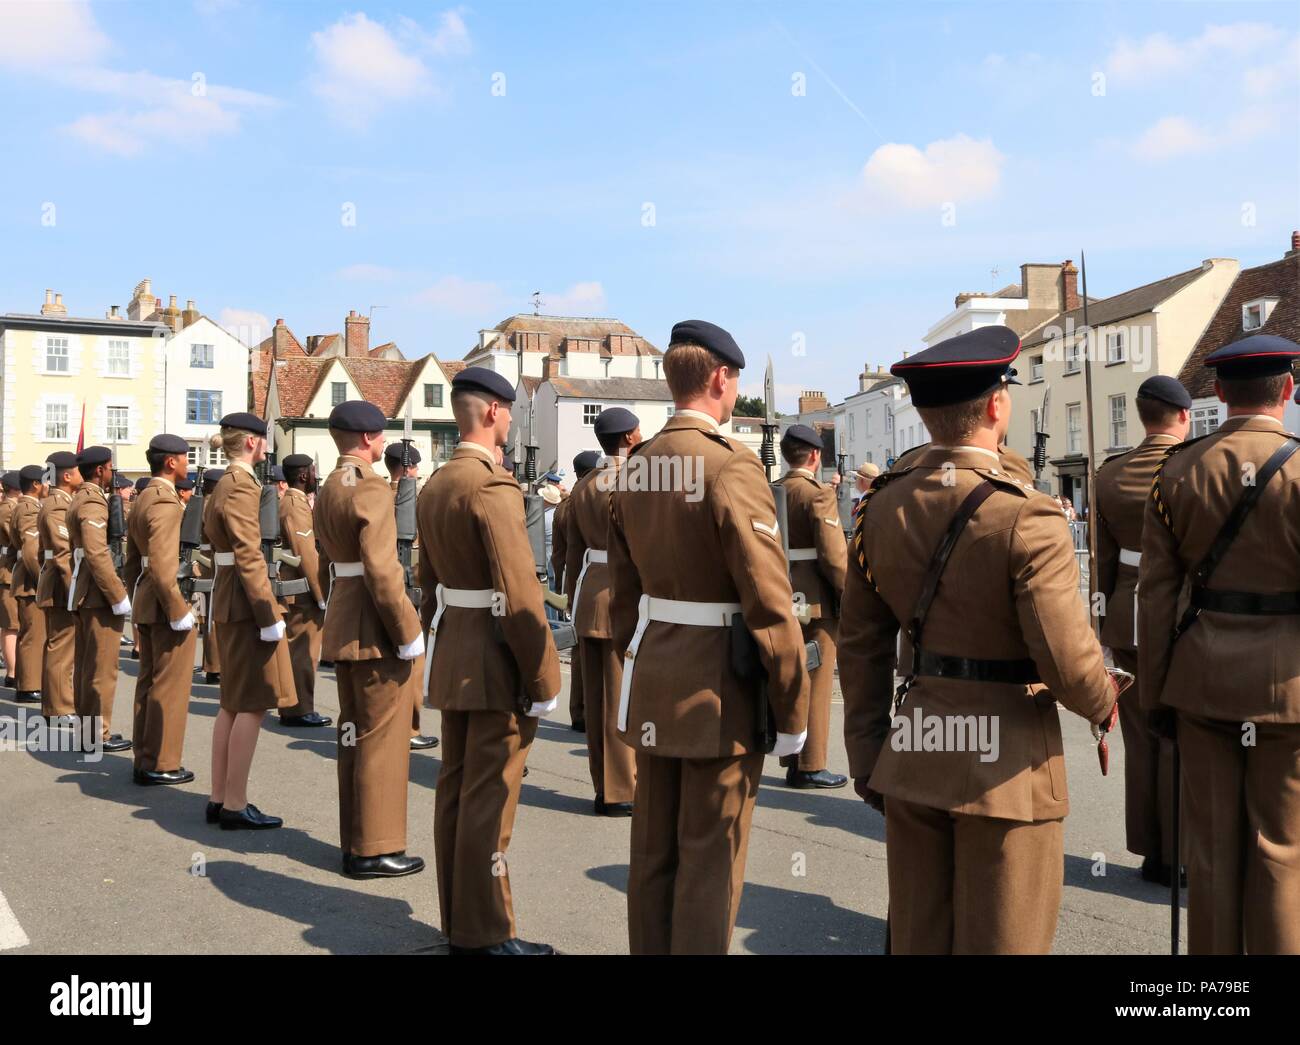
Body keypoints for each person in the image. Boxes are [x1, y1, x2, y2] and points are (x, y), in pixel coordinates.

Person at [839, 325, 1117, 954]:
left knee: (919, 938)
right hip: (1009, 766)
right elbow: (1068, 660)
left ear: (922, 412)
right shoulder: (1029, 513)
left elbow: (861, 647)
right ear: (997, 405)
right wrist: (1104, 700)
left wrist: (868, 757)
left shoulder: (878, 510)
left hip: (914, 752)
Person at [609, 320, 809, 954]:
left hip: (655, 670)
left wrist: (636, 661)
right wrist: (793, 709)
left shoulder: (638, 465)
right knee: (710, 858)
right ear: (721, 378)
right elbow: (770, 601)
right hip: (718, 688)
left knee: (654, 852)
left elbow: (623, 596)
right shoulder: (731, 467)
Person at [1139, 333, 1300, 954]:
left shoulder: (1178, 469)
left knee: (1209, 853)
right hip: (1287, 687)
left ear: (1217, 393)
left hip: (1202, 683)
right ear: (1287, 389)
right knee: (1282, 851)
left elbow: (1154, 598)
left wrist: (1154, 697)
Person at [417, 366, 561, 954]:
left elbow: (427, 581)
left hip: (455, 644)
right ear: (495, 413)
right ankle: (488, 933)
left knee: (455, 789)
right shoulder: (491, 487)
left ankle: (460, 920)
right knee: (490, 799)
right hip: (494, 655)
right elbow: (520, 592)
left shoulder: (437, 483)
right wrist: (544, 673)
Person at [314, 402, 427, 877]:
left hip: (345, 614)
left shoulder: (327, 488)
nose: (383, 445)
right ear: (366, 439)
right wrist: (407, 632)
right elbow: (383, 570)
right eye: (380, 437)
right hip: (374, 625)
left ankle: (355, 839)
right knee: (381, 739)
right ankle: (375, 846)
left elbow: (326, 562)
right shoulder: (371, 487)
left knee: (354, 735)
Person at [1093, 375, 1190, 886]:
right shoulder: (1194, 464)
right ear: (1183, 415)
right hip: (1183, 613)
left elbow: (1102, 564)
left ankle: (1152, 851)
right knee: (1182, 737)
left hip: (1126, 616)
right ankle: (1181, 852)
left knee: (1141, 737)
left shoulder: (1110, 474)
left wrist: (1099, 628)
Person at [205, 416, 295, 828]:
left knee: (232, 703)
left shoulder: (224, 483)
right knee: (253, 704)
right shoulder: (241, 486)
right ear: (253, 443)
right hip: (245, 603)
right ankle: (235, 803)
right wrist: (267, 613)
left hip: (230, 597)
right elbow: (248, 553)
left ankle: (220, 795)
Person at [566, 407, 641, 816]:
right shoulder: (637, 482)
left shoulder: (585, 486)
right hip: (625, 597)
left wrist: (570, 597)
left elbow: (574, 552)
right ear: (629, 437)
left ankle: (604, 785)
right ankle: (621, 789)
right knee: (620, 699)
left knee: (597, 701)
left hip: (589, 596)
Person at [776, 424, 849, 789]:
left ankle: (792, 755)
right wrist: (849, 594)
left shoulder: (772, 490)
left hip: (781, 592)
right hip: (816, 600)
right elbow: (834, 557)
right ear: (815, 455)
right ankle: (811, 763)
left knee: (792, 675)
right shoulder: (817, 494)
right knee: (817, 681)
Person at [125, 435, 198, 785]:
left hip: (146, 600)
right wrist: (177, 609)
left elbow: (131, 563)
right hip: (166, 604)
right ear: (171, 463)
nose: (188, 463)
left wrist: (135, 598)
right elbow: (163, 563)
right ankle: (162, 762)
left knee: (149, 683)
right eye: (185, 458)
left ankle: (144, 756)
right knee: (169, 686)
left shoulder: (142, 500)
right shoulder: (166, 503)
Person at [67, 446, 133, 753]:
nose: (111, 474)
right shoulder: (92, 500)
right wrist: (117, 595)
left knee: (85, 666)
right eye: (110, 468)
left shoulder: (81, 496)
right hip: (97, 594)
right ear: (100, 470)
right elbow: (95, 551)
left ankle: (86, 731)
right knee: (101, 668)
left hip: (85, 591)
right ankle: (97, 733)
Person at [384, 441, 438, 752]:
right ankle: (410, 727)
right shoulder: (414, 500)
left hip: (385, 588)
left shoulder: (377, 495)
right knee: (413, 662)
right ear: (410, 469)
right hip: (410, 586)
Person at [275, 454, 331, 728]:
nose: (315, 476)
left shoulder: (294, 500)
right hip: (303, 589)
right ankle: (298, 709)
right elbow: (305, 553)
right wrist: (321, 594)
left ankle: (296, 706)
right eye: (312, 471)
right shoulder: (295, 504)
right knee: (303, 651)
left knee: (302, 650)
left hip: (299, 585)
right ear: (303, 475)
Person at [553, 451, 599, 733]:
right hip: (600, 581)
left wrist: (564, 593)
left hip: (577, 582)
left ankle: (579, 711)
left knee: (580, 651)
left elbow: (560, 556)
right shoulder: (597, 497)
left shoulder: (565, 506)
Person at [36, 450, 82, 724]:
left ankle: (59, 702)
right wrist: (74, 589)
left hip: (59, 580)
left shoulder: (62, 501)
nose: (80, 474)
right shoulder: (57, 505)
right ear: (67, 475)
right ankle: (58, 708)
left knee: (63, 645)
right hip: (60, 583)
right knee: (61, 645)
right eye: (77, 470)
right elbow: (62, 553)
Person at [10, 465, 48, 703]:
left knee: (33, 634)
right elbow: (31, 550)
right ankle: (28, 686)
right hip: (31, 581)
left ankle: (29, 683)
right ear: (35, 484)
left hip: (29, 578)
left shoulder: (29, 506)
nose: (47, 486)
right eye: (45, 481)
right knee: (33, 635)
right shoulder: (28, 508)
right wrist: (43, 580)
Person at [196, 467, 223, 683]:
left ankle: (212, 664)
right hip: (210, 562)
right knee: (212, 615)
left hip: (204, 561)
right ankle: (214, 666)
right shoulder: (210, 504)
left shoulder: (200, 502)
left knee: (207, 616)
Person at [0, 471, 21, 689]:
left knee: (11, 625)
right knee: (11, 626)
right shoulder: (9, 508)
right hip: (8, 571)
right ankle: (13, 672)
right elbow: (15, 537)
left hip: (9, 569)